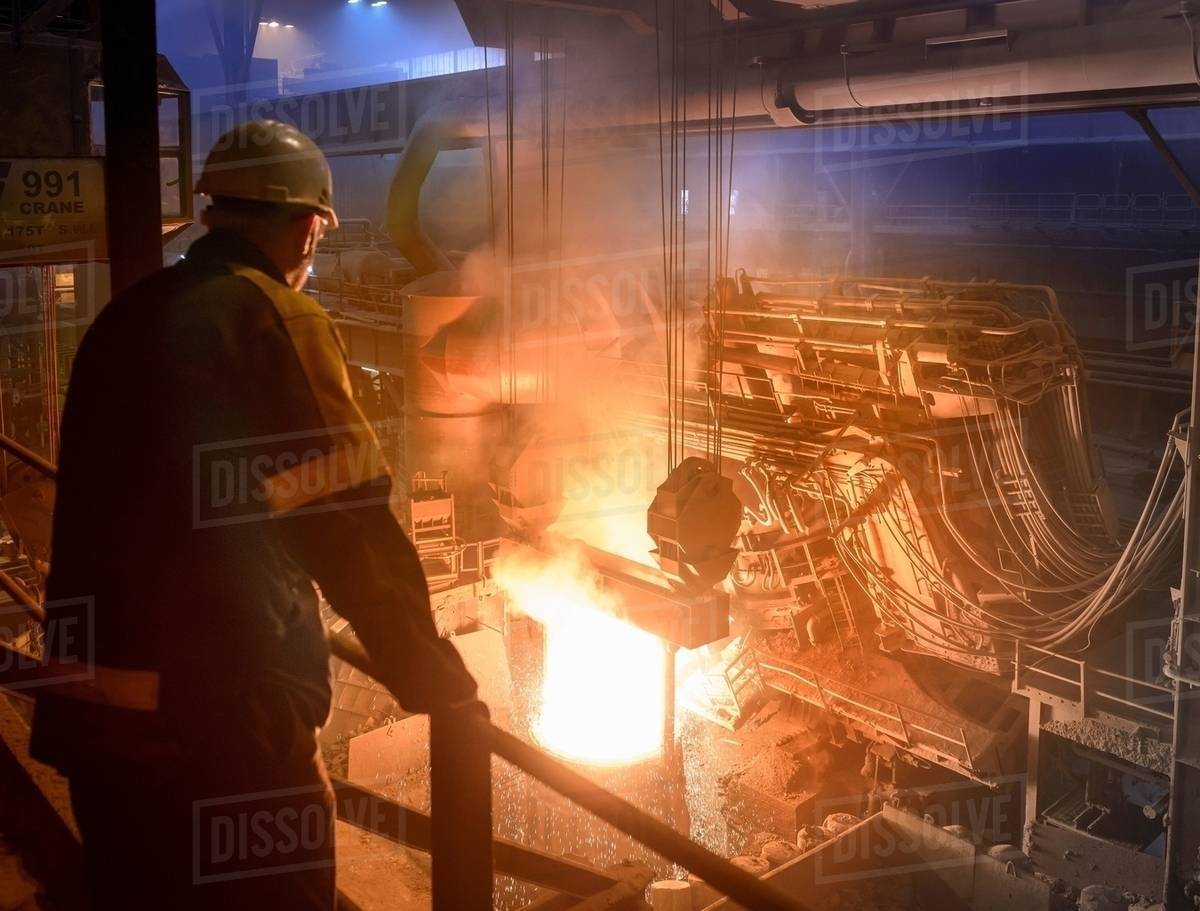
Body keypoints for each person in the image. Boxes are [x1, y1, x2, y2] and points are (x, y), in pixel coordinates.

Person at [30, 119, 479, 909]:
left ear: (214, 212)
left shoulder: (125, 317)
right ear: (308, 226)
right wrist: (430, 673)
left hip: (94, 712)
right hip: (216, 724)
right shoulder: (276, 318)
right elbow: (346, 519)